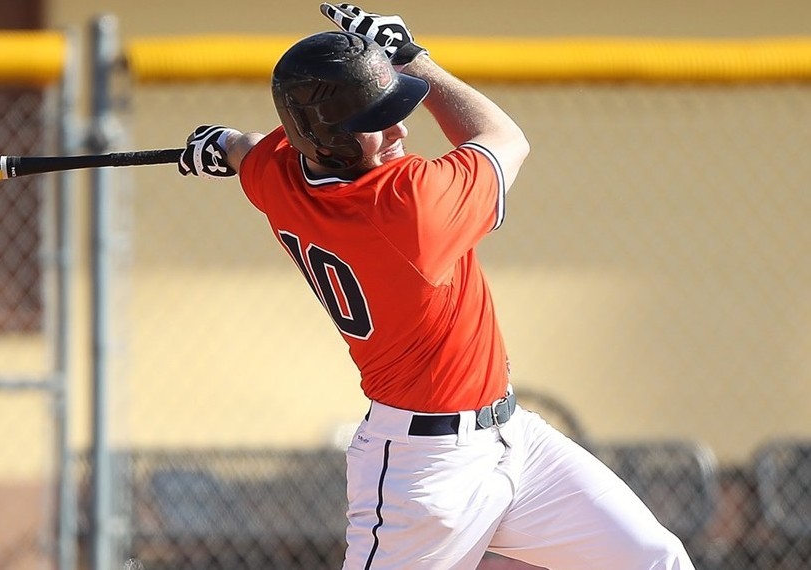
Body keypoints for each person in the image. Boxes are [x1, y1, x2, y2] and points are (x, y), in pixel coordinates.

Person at [178, 4, 695, 569]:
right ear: (330, 141)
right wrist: (412, 57)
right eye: (376, 121)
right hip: (422, 472)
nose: (401, 128)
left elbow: (251, 147)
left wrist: (222, 143)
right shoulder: (409, 204)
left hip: (516, 440)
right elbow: (504, 137)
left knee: (654, 558)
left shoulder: (280, 177)